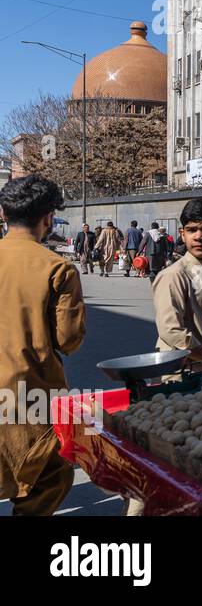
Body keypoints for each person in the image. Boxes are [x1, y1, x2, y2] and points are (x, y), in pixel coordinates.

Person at [0, 176, 85, 516]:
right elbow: (69, 340)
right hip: (27, 397)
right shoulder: (58, 269)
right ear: (49, 217)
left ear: (3, 214)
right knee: (47, 475)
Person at [152, 199, 202, 371]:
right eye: (192, 230)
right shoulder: (173, 275)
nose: (198, 237)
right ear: (182, 234)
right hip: (182, 376)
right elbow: (171, 331)